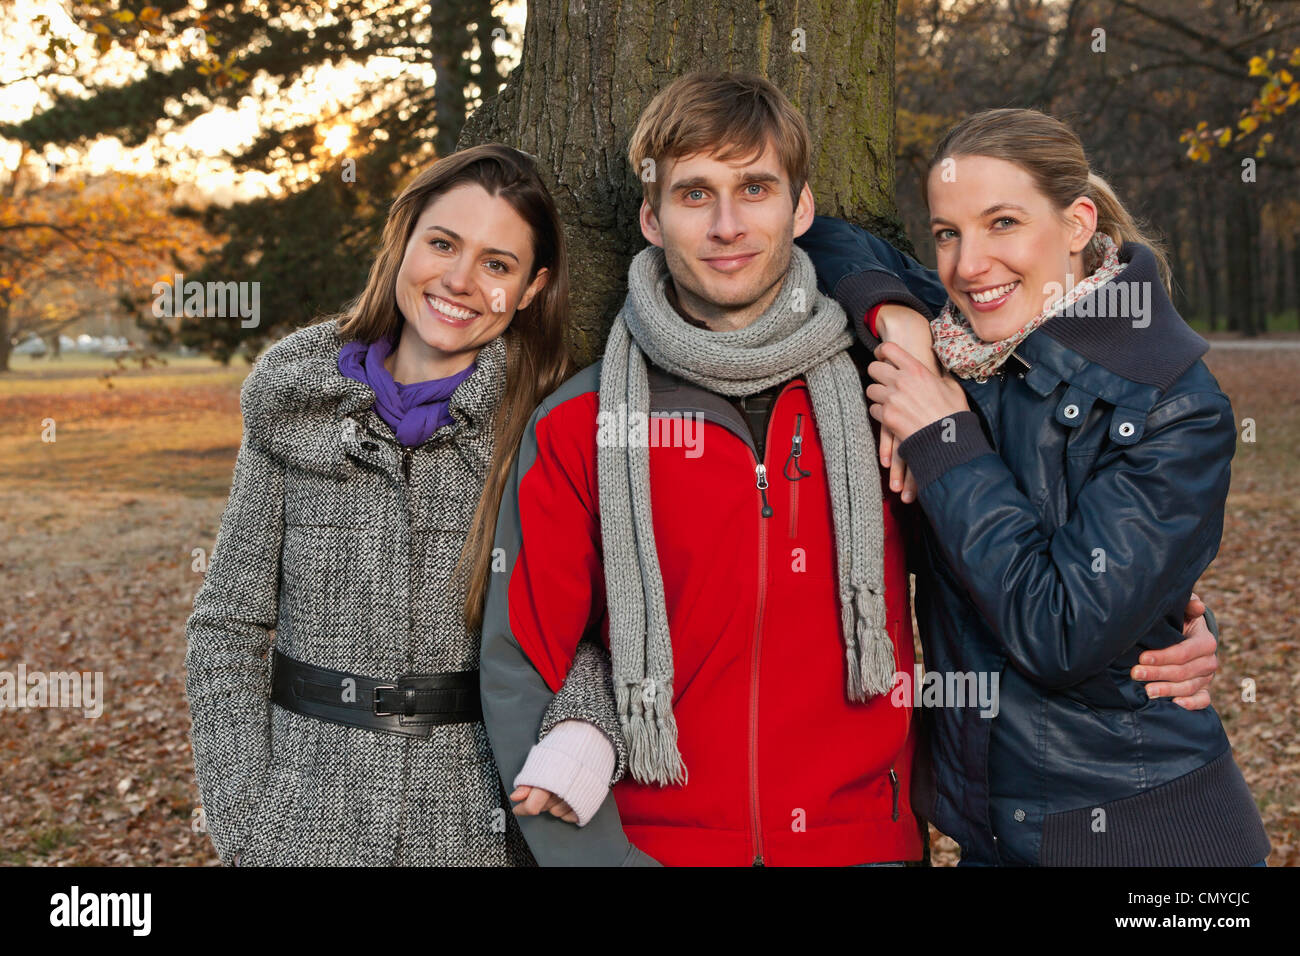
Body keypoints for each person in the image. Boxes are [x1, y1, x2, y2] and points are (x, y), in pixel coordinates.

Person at [478, 73, 1219, 866]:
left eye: (756, 189)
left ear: (800, 211)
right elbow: (525, 659)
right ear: (651, 220)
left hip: (866, 845)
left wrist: (1165, 621)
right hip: (653, 848)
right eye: (695, 195)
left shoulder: (908, 394)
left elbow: (1057, 564)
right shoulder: (582, 421)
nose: (728, 225)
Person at [806, 108, 1269, 865]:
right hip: (998, 834)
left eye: (1003, 223)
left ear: (1078, 223)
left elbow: (1059, 631)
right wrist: (902, 326)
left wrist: (942, 438)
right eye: (948, 233)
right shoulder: (968, 347)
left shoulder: (1174, 403)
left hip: (1146, 843)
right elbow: (820, 233)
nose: (969, 263)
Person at [184, 144, 625, 866]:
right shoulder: (297, 401)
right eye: (443, 243)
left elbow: (602, 629)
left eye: (496, 264)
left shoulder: (550, 429)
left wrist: (587, 729)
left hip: (476, 822)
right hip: (304, 817)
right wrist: (247, 829)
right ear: (403, 239)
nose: (459, 280)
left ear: (531, 288)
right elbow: (227, 628)